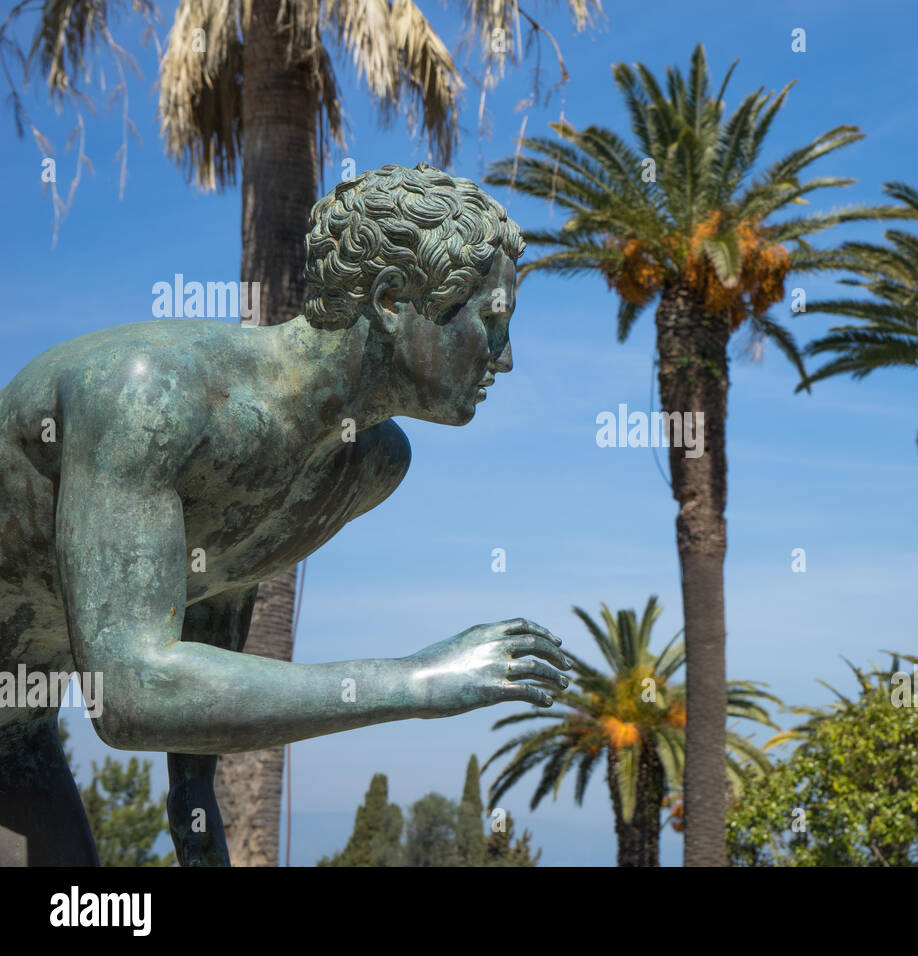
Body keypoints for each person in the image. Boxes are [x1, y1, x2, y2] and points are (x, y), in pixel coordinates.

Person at [0, 164, 570, 866]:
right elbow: (129, 691)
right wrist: (420, 679)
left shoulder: (367, 465)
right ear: (393, 299)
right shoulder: (151, 394)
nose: (505, 359)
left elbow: (215, 581)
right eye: (493, 321)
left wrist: (193, 791)